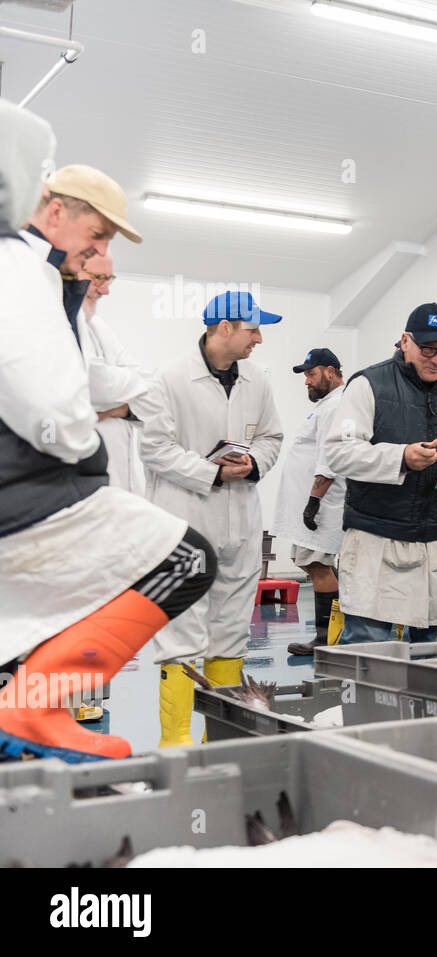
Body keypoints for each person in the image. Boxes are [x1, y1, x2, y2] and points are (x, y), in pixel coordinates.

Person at [0, 98, 215, 763]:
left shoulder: (43, 278)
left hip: (28, 487)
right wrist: (86, 442)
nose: (99, 255)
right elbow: (44, 398)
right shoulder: (16, 268)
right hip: (30, 488)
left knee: (40, 615)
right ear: (52, 208)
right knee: (188, 559)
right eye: (96, 236)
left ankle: (25, 708)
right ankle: (35, 700)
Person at [140, 291, 284, 746]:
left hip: (240, 523)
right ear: (224, 327)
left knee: (230, 633)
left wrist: (254, 463)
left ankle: (216, 741)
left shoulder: (257, 379)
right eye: (253, 329)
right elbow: (154, 448)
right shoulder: (169, 377)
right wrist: (212, 473)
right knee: (181, 633)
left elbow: (272, 436)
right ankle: (176, 743)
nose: (259, 338)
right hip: (185, 521)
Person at [324, 304, 437, 643]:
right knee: (369, 649)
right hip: (377, 539)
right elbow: (338, 451)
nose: (436, 360)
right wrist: (401, 458)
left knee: (436, 655)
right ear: (405, 341)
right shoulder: (368, 385)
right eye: (427, 350)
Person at [271, 349, 347, 658]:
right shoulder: (329, 405)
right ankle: (337, 631)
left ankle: (326, 638)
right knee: (313, 563)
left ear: (330, 371)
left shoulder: (336, 405)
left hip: (325, 503)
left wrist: (314, 500)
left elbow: (330, 456)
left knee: (317, 565)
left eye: (311, 374)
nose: (307, 381)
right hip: (319, 501)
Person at [22, 164, 141, 338]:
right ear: (56, 213)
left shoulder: (60, 283)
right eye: (97, 234)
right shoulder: (14, 271)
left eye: (108, 240)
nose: (102, 251)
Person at [76, 252, 157, 495]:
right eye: (98, 278)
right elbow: (96, 383)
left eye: (108, 280)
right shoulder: (57, 323)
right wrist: (123, 396)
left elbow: (154, 388)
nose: (105, 290)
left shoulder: (99, 327)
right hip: (79, 476)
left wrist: (116, 409)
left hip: (120, 477)